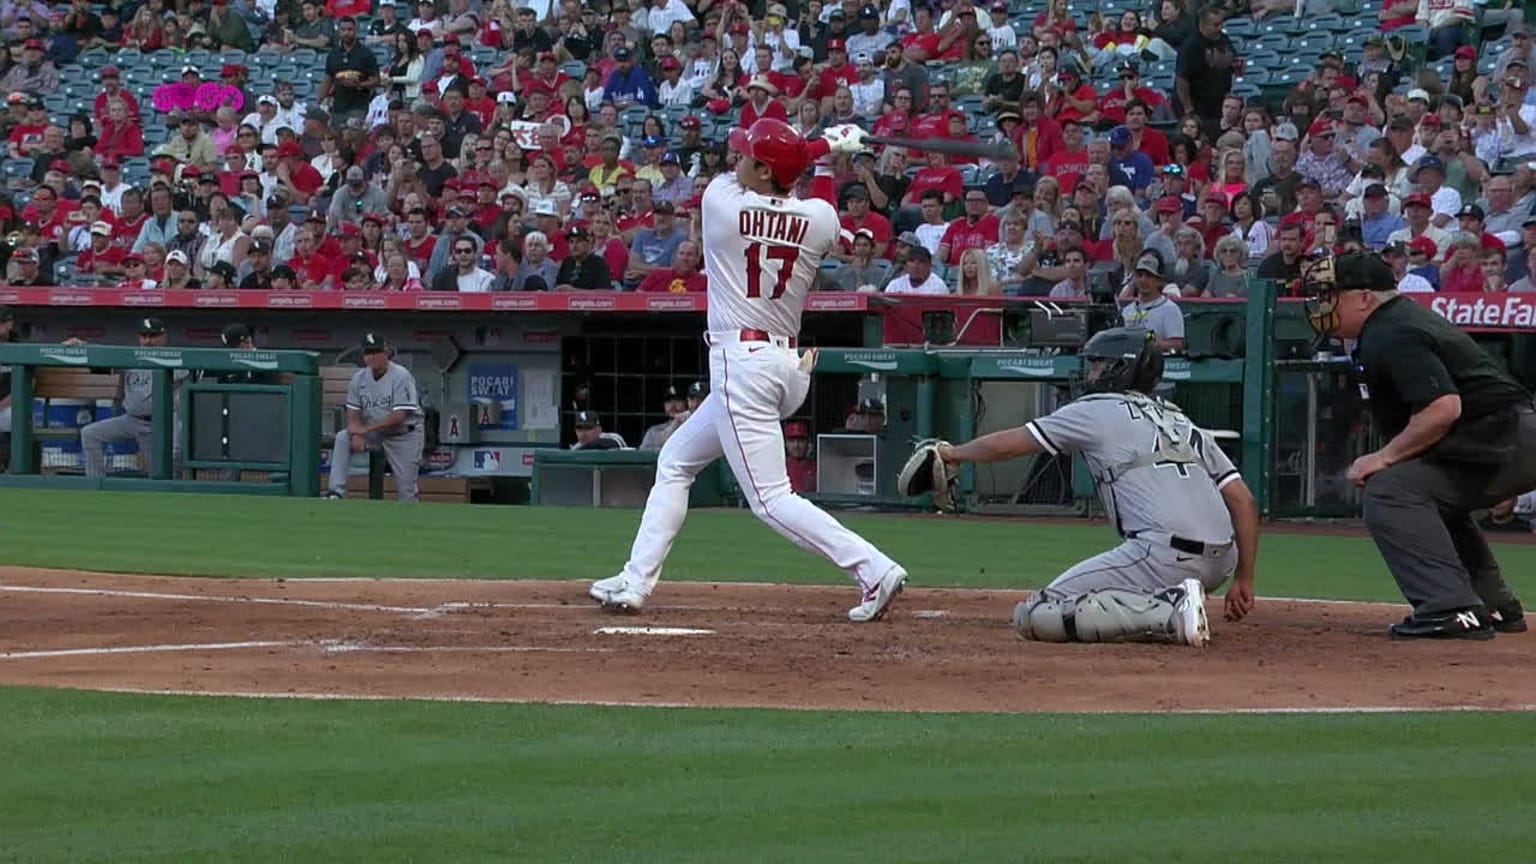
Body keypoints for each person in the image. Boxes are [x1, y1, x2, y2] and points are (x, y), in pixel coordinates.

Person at [589, 118, 908, 622]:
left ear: (762, 169)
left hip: (744, 366)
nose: (735, 161)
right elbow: (817, 200)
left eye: (746, 157)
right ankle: (635, 579)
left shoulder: (722, 204)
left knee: (771, 499)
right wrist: (828, 155)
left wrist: (822, 144)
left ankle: (873, 569)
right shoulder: (819, 218)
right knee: (674, 460)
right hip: (785, 366)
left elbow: (757, 178)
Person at [924, 327, 1258, 645]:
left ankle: (1170, 613)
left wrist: (954, 454)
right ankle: (1168, 602)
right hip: (1221, 564)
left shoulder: (1096, 409)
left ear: (1121, 369)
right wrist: (1243, 578)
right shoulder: (1180, 419)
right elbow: (1242, 501)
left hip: (1165, 557)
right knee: (1108, 595)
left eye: (1099, 364)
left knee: (1037, 612)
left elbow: (1009, 445)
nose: (1092, 372)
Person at [1301, 252, 1533, 639]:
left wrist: (1383, 457)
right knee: (1425, 491)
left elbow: (1444, 407)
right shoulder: (1396, 321)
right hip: (1503, 435)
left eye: (1330, 294)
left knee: (1390, 491)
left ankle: (1452, 608)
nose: (1321, 304)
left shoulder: (1390, 331)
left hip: (1501, 437)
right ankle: (1490, 603)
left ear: (1363, 298)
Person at [79, 318, 186, 478]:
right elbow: (105, 356)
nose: (148, 341)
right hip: (130, 421)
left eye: (153, 336)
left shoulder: (175, 359)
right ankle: (95, 484)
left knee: (161, 474)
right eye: (144, 336)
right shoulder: (130, 357)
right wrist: (83, 346)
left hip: (159, 425)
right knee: (90, 433)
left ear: (164, 337)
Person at [325, 332, 424, 502]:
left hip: (404, 434)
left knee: (407, 493)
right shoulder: (359, 379)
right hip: (376, 433)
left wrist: (364, 429)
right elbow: (352, 411)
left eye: (376, 351)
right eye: (368, 352)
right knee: (344, 437)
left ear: (386, 353)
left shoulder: (401, 375)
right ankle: (336, 492)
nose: (372, 357)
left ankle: (409, 523)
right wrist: (356, 434)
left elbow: (398, 417)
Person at [638, 385, 688, 451]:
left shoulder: (692, 427)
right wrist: (675, 424)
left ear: (686, 403)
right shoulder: (653, 431)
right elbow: (642, 453)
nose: (672, 405)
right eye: (668, 401)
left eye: (678, 400)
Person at [785, 420, 816, 493]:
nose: (796, 445)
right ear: (786, 443)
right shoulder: (780, 469)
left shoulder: (817, 468)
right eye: (792, 441)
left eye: (801, 440)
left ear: (808, 442)